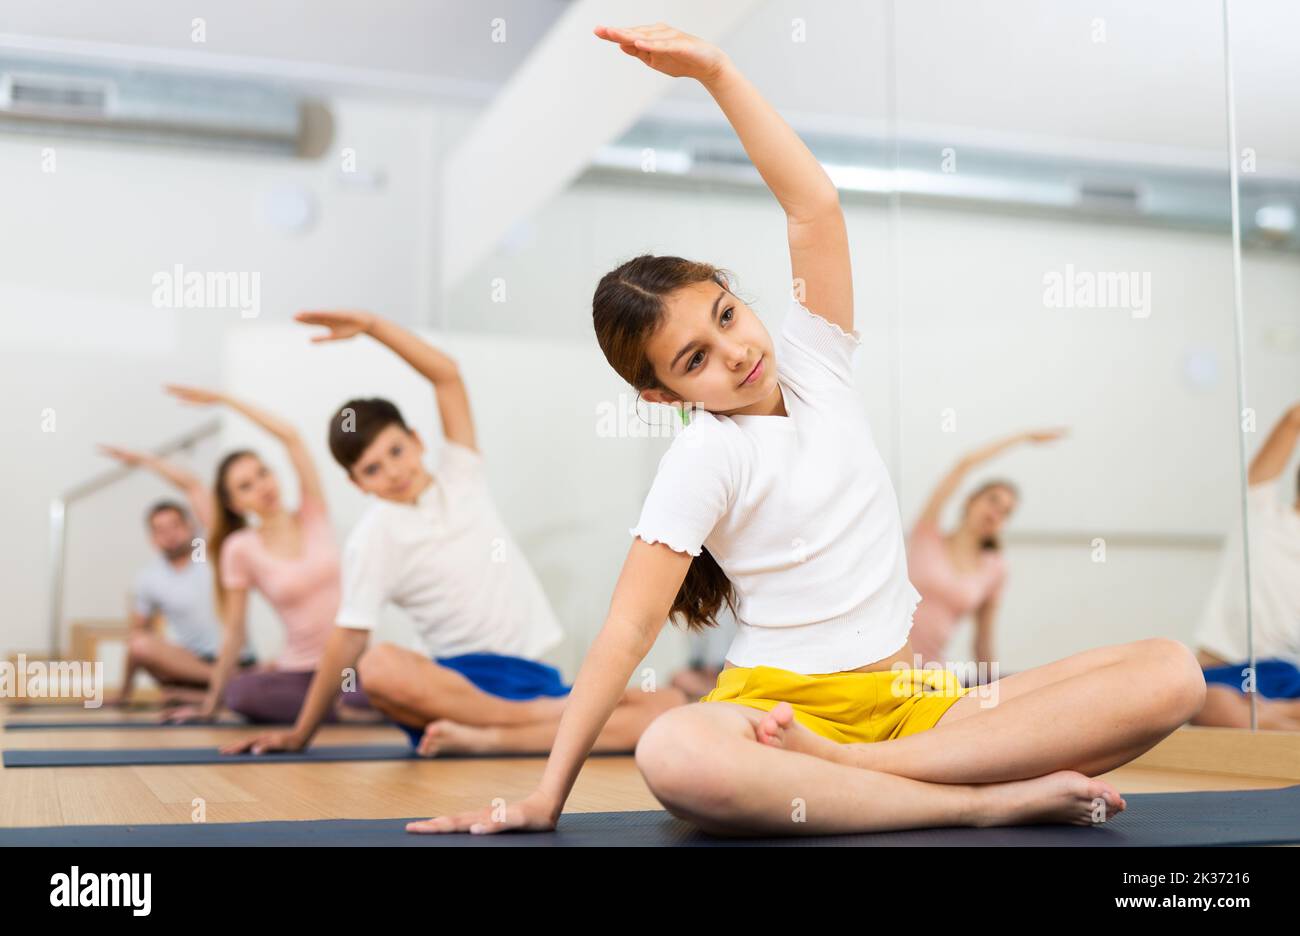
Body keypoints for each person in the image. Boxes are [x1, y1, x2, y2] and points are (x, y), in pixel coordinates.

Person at [408, 23, 1205, 838]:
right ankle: (980, 799)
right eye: (696, 359)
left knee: (1171, 674)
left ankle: (857, 773)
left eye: (727, 315)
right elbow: (626, 630)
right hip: (772, 712)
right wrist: (548, 796)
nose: (736, 352)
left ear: (737, 294)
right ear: (660, 394)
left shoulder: (815, 362)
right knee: (673, 753)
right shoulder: (705, 455)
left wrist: (716, 72)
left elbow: (813, 206)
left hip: (910, 706)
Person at [220, 310, 685, 759]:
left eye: (397, 451)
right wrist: (302, 733)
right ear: (357, 484)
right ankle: (547, 722)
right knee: (377, 667)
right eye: (373, 469)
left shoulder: (461, 475)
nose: (394, 471)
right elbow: (347, 639)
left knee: (666, 706)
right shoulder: (372, 538)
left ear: (419, 440)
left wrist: (373, 326)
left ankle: (494, 738)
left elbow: (446, 376)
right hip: (455, 684)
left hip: (530, 676)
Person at [158, 386, 373, 725]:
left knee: (387, 678)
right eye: (245, 486)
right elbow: (234, 631)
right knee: (241, 693)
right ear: (234, 504)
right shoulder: (240, 548)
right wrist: (212, 705)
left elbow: (291, 437)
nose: (261, 486)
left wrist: (226, 399)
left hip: (352, 668)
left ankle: (338, 708)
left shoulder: (313, 513)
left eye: (262, 473)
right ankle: (337, 710)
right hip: (301, 673)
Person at [98, 446, 256, 706]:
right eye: (160, 530)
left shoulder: (209, 551)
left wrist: (144, 459)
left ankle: (220, 687)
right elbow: (138, 635)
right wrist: (123, 692)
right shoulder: (149, 578)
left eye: (175, 526)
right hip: (191, 667)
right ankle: (220, 686)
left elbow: (193, 486)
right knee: (139, 644)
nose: (169, 534)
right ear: (152, 539)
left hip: (234, 659)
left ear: (190, 526)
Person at [906, 430, 1065, 676]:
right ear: (971, 500)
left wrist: (995, 690)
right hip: (886, 666)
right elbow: (964, 465)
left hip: (930, 677)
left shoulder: (995, 569)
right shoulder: (926, 535)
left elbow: (982, 640)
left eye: (1005, 512)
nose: (995, 513)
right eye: (992, 500)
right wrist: (1023, 438)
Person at [1192, 402, 1300, 730]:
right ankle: (1273, 719)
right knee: (1209, 703)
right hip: (1226, 675)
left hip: (1287, 677)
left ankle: (1270, 716)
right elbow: (1294, 418)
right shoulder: (1261, 515)